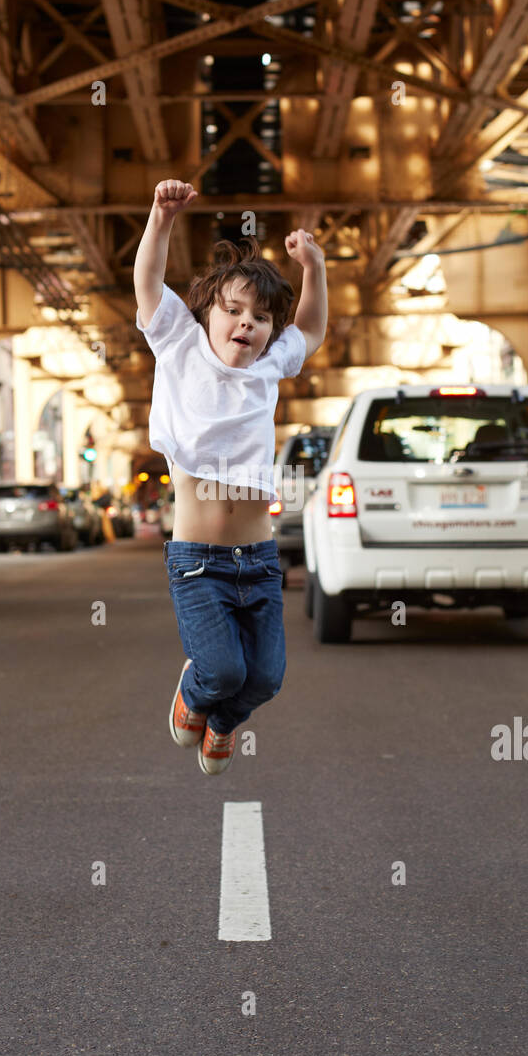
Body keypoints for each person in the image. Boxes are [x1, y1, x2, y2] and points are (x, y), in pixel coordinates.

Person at [134, 179, 328, 775]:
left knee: (265, 678)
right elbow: (146, 284)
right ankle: (198, 695)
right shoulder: (179, 346)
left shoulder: (269, 367)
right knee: (224, 670)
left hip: (260, 561)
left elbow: (314, 330)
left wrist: (315, 268)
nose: (248, 323)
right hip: (198, 561)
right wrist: (160, 218)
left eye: (262, 316)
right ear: (206, 316)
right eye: (234, 310)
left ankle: (223, 720)